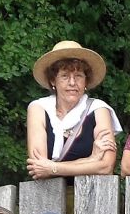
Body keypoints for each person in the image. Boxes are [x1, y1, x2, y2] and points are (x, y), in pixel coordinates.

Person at [26, 40, 123, 180]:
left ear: (86, 81)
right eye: (65, 76)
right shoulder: (38, 109)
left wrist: (52, 168)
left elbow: (106, 167)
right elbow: (39, 169)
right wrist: (91, 160)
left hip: (92, 196)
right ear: (53, 81)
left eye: (78, 76)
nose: (72, 83)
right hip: (47, 197)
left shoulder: (99, 110)